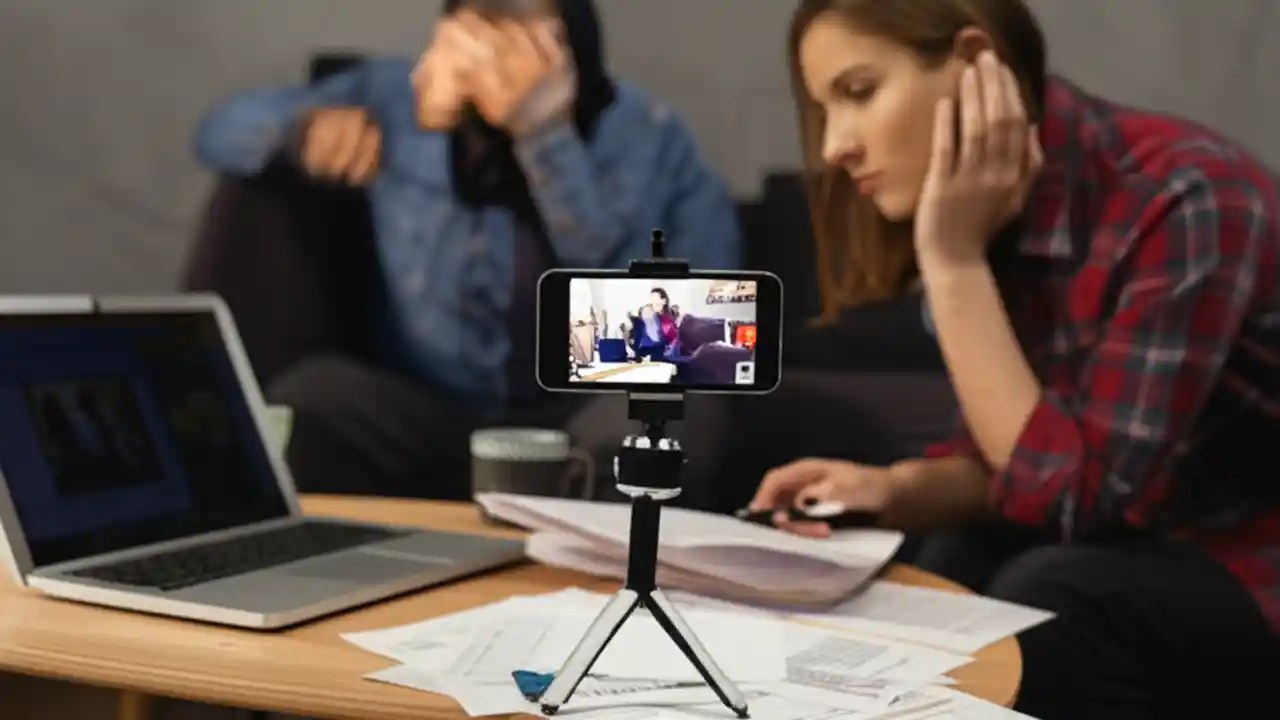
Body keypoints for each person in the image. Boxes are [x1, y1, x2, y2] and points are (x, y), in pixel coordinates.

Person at [750, 1, 1280, 717]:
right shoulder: (1001, 204)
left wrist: (952, 259)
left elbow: (1077, 497)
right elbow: (1021, 454)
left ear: (973, 63)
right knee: (939, 566)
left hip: (1248, 563)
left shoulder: (1190, 197)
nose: (837, 145)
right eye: (824, 109)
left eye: (859, 92)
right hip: (1139, 533)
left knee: (1051, 593)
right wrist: (890, 487)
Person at [190, 0, 740, 499]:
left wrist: (544, 137)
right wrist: (303, 132)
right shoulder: (398, 98)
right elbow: (220, 129)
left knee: (665, 422)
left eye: (526, 34)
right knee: (310, 400)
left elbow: (701, 336)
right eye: (480, 29)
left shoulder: (650, 135)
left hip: (585, 400)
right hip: (434, 400)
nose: (495, 58)